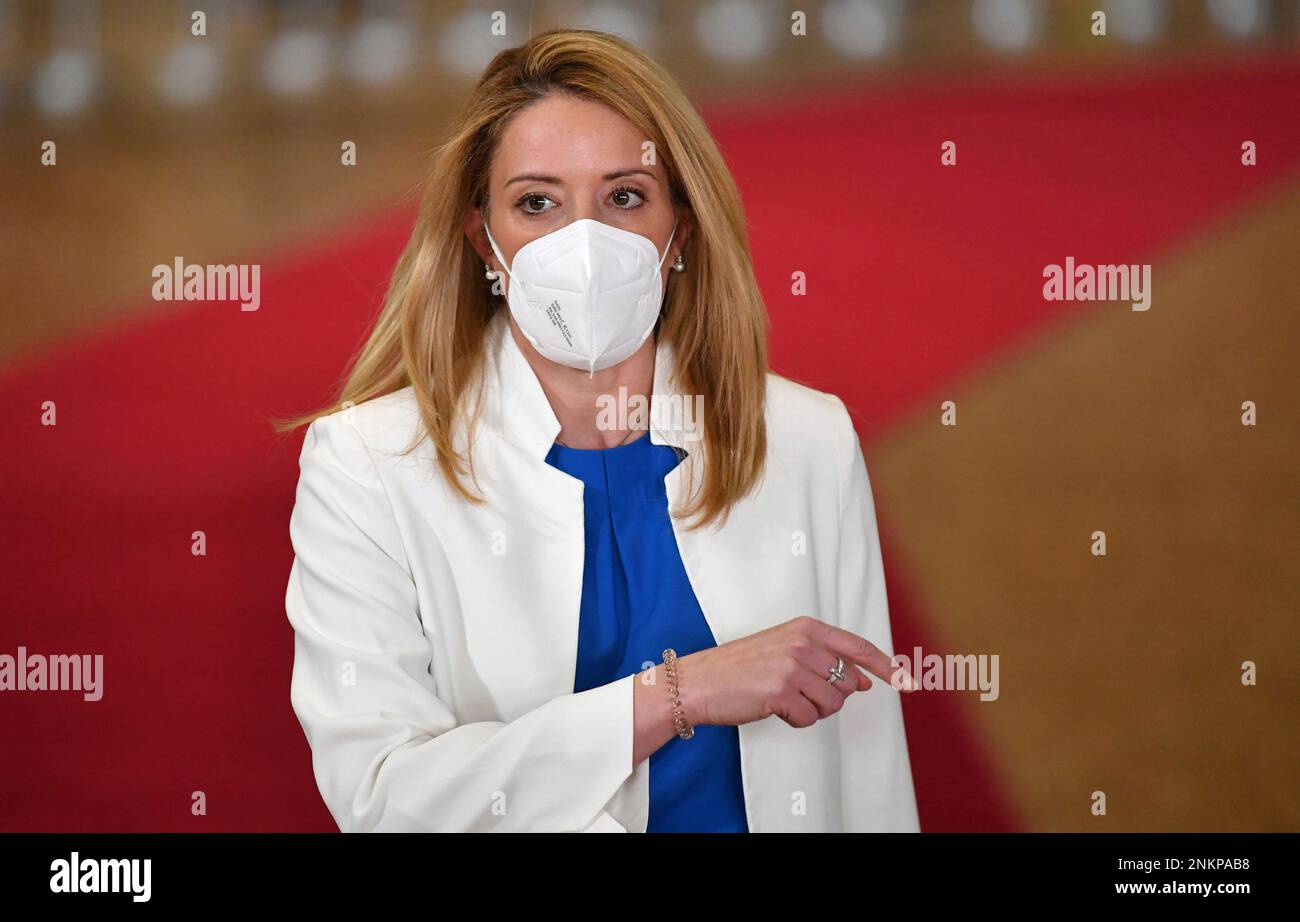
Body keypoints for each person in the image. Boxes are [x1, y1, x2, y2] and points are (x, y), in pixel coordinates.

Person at [281, 28, 920, 832]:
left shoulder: (807, 438)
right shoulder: (367, 465)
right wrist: (677, 696)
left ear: (679, 230)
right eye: (537, 203)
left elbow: (865, 760)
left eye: (624, 197)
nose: (582, 244)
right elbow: (383, 797)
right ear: (484, 239)